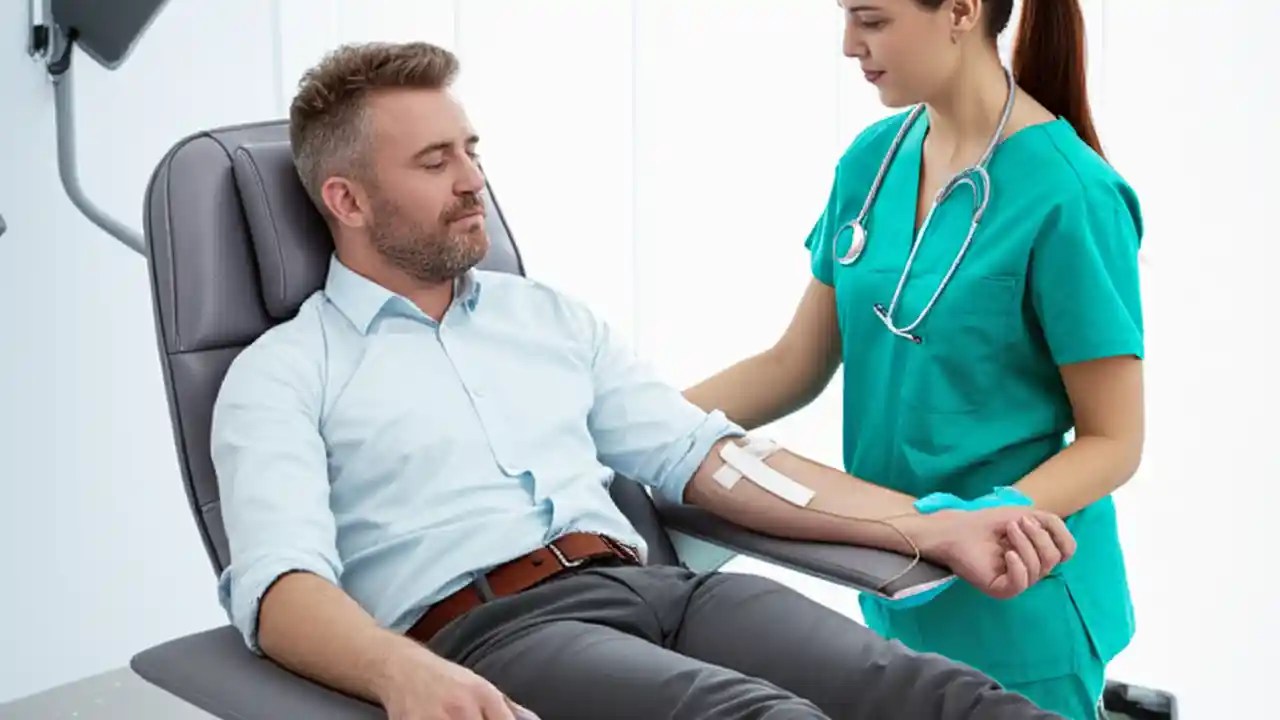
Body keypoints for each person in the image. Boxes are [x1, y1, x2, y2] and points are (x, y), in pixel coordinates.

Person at [212, 40, 1079, 720]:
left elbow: (708, 456)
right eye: (434, 162)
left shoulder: (546, 318)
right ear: (348, 201)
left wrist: (929, 526)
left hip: (662, 592)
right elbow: (281, 588)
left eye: (471, 150)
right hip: (497, 633)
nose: (476, 181)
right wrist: (401, 673)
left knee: (941, 697)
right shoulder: (285, 375)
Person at [684, 1, 1145, 719]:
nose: (848, 45)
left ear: (960, 11)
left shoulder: (1072, 195)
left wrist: (985, 522)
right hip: (898, 581)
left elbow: (1114, 440)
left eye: (871, 19)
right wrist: (638, 422)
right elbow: (792, 364)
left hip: (1021, 597)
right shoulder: (873, 161)